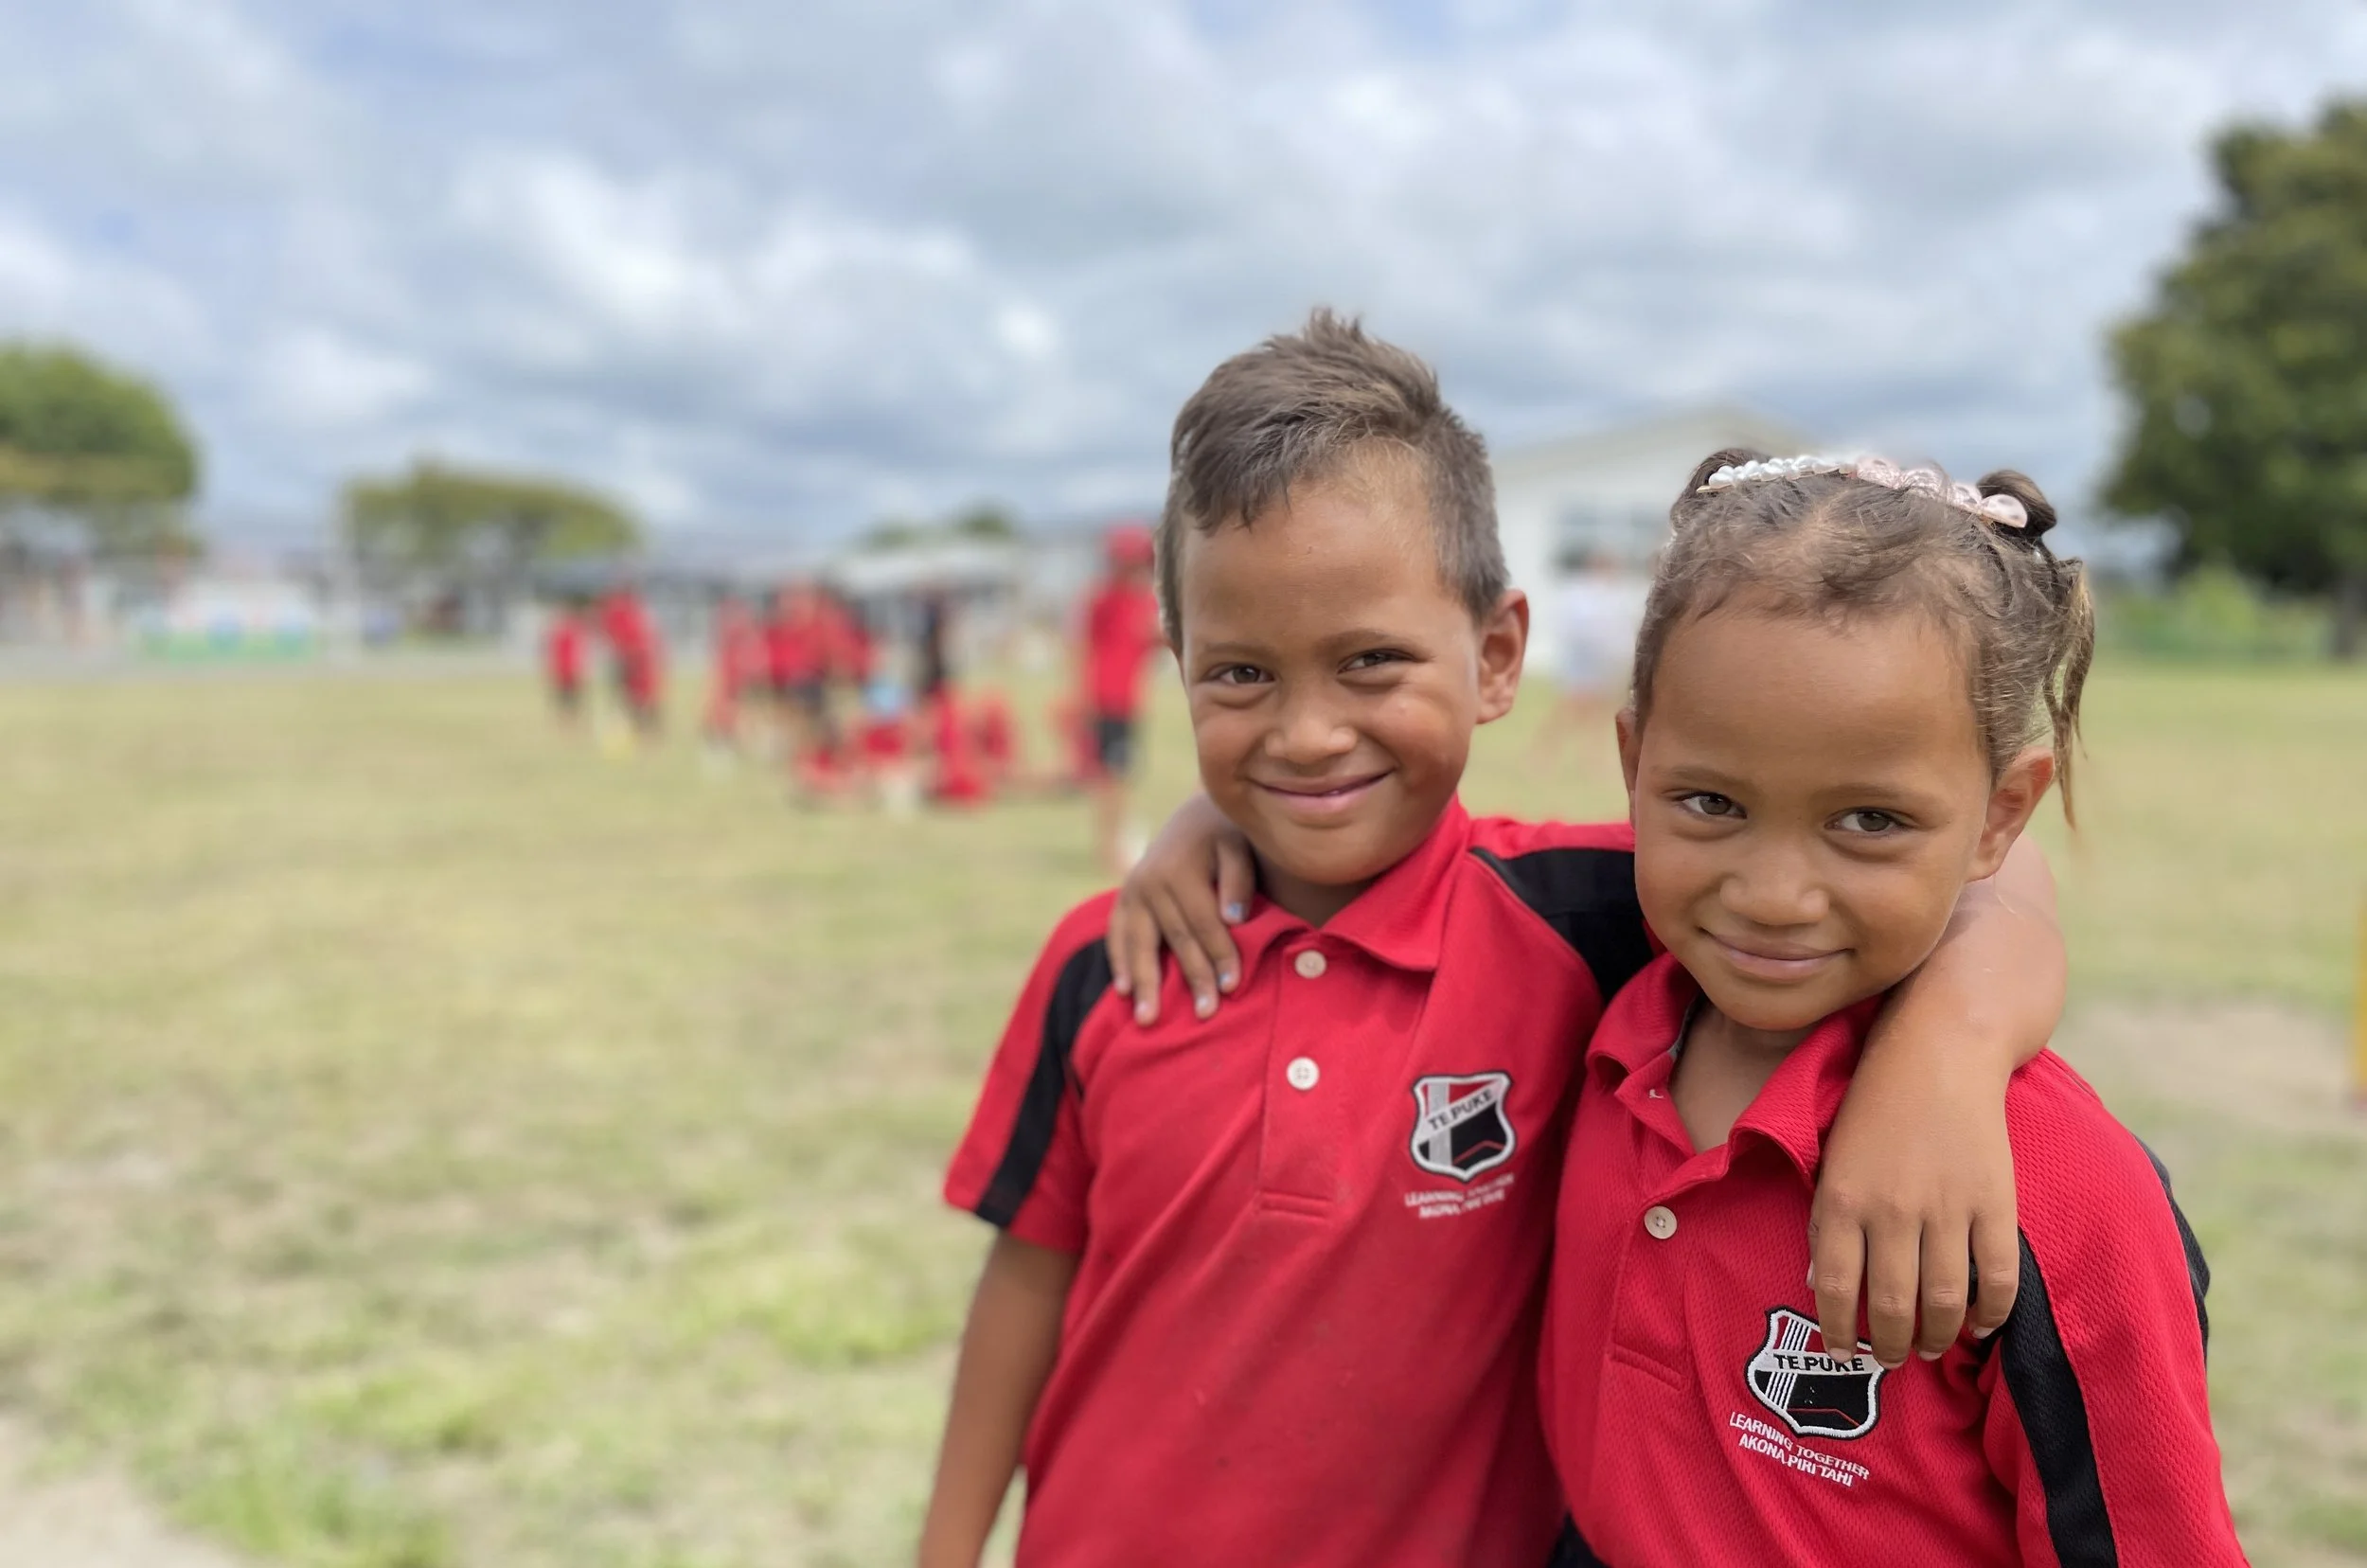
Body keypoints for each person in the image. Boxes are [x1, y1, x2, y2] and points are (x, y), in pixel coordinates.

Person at [918, 313, 2065, 1568]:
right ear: (1179, 666)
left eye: (1370, 662)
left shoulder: (1595, 922)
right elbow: (1028, 1282)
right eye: (1241, 675)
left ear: (1498, 656)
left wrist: (1946, 1054)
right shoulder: (1107, 964)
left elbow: (1978, 875)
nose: (1308, 735)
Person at [1538, 453, 2243, 1565]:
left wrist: (1945, 1056)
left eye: (1868, 821)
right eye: (1710, 802)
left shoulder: (2061, 1193)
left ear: (2000, 816)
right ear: (1633, 765)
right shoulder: (1586, 997)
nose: (1773, 895)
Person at [1077, 523, 1162, 872]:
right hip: (1106, 700)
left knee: (1122, 775)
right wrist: (1083, 699)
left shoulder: (1144, 601)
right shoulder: (1104, 599)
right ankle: (1109, 848)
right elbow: (1082, 646)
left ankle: (1116, 842)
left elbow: (1153, 641)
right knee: (1110, 778)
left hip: (1130, 702)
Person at [543, 597, 587, 724]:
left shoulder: (564, 630)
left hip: (566, 668)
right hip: (567, 668)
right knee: (568, 696)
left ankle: (568, 719)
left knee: (568, 696)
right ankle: (568, 719)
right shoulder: (569, 630)